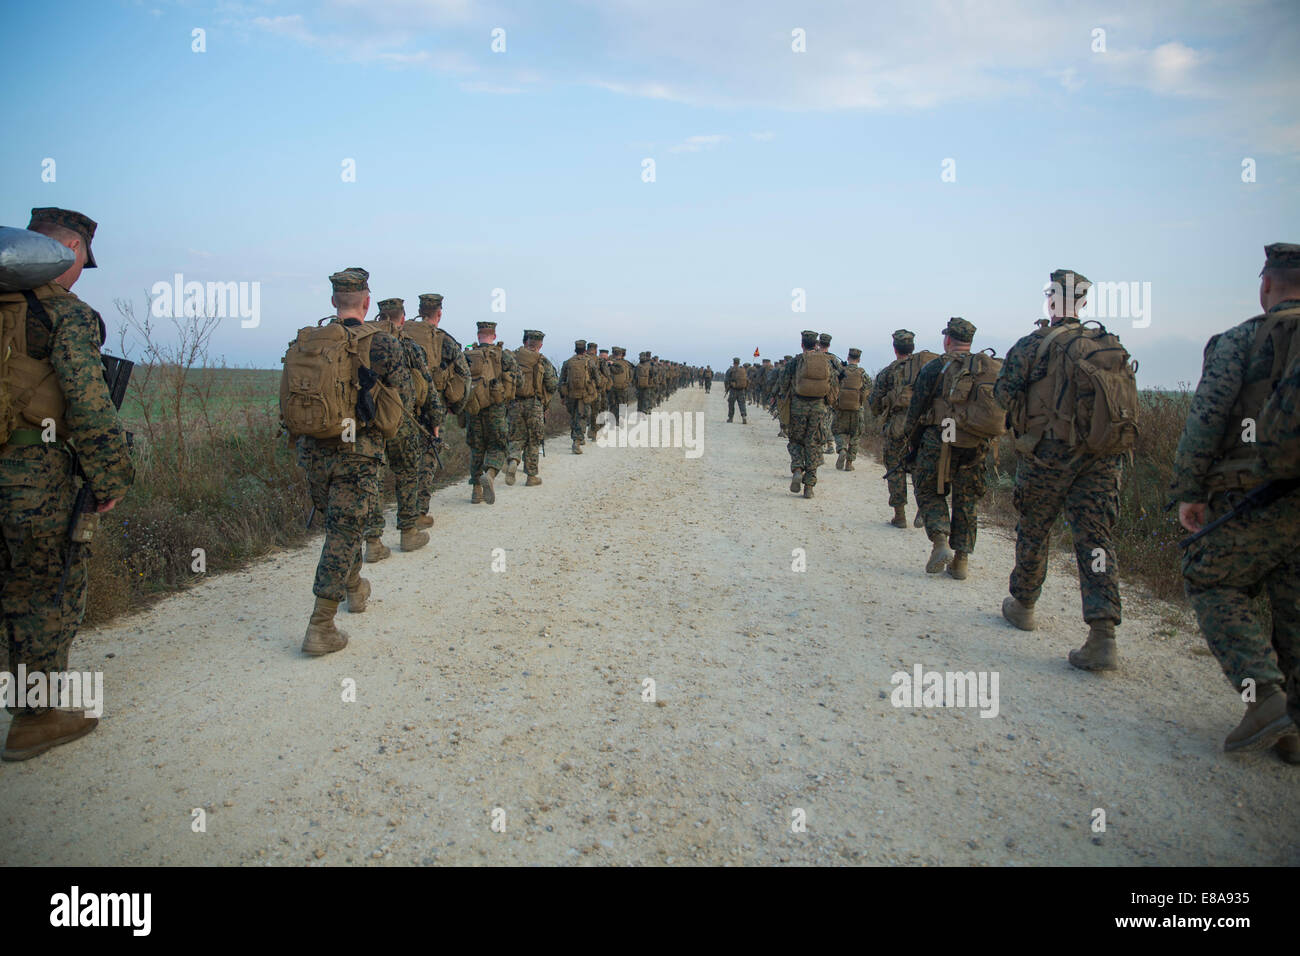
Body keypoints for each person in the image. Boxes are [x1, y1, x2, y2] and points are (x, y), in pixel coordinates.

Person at [1, 207, 134, 760]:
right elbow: (88, 403)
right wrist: (110, 476)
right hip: (33, 476)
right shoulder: (64, 313)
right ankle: (35, 719)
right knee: (44, 591)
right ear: (72, 250)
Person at [1171, 243, 1300, 758]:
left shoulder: (1241, 340)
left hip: (1254, 494)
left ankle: (1265, 696)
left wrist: (1188, 491)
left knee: (1209, 575)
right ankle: (1292, 734)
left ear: (1266, 285)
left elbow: (1205, 420)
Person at [995, 270, 1130, 671]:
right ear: (1083, 303)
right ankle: (1103, 634)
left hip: (1051, 451)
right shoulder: (1107, 344)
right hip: (1103, 454)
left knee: (1035, 526)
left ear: (1050, 300)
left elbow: (1003, 394)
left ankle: (1024, 605)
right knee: (1096, 538)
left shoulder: (1033, 344)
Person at [296, 267, 411, 655]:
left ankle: (355, 588)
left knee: (342, 526)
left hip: (314, 448)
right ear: (366, 302)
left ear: (333, 301)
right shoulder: (382, 344)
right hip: (357, 452)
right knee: (344, 531)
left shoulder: (309, 341)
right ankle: (321, 625)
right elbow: (401, 398)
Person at [901, 318, 991, 579]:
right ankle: (961, 561)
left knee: (928, 489)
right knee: (967, 499)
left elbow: (916, 407)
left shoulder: (935, 367)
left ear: (948, 340)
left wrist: (910, 437)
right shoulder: (983, 368)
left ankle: (940, 542)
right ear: (970, 341)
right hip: (975, 443)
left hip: (939, 438)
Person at [507, 329, 558, 485]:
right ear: (540, 345)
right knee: (534, 440)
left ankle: (514, 460)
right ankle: (531, 476)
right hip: (534, 405)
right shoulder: (542, 361)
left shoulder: (513, 357)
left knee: (516, 436)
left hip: (514, 404)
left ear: (525, 342)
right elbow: (552, 384)